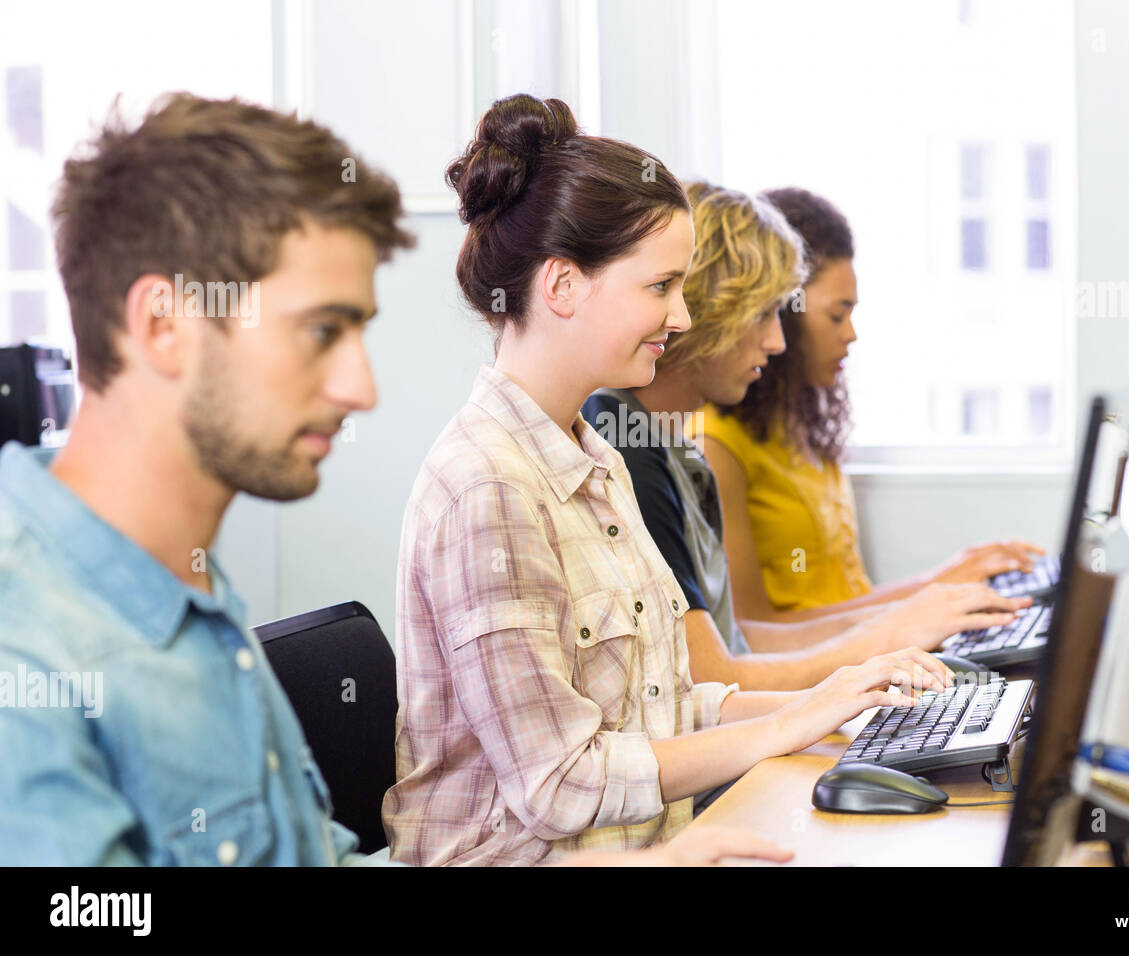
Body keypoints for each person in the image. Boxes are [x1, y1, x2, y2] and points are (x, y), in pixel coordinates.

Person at [0, 92, 764, 869]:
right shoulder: (28, 649)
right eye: (321, 330)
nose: (361, 389)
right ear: (164, 326)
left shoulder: (183, 597)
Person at [382, 94, 953, 866]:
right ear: (562, 287)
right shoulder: (488, 488)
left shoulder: (596, 456)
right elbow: (558, 783)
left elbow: (666, 704)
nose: (683, 318)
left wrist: (835, 703)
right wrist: (790, 724)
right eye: (660, 287)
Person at [583, 182, 1029, 690]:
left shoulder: (672, 446)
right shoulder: (630, 448)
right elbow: (712, 679)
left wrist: (911, 618)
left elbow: (740, 640)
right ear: (710, 312)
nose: (776, 341)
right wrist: (888, 637)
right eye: (761, 314)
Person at [692, 187, 1043, 622]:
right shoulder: (715, 444)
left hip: (865, 652)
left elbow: (844, 596)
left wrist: (945, 588)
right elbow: (753, 632)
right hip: (825, 669)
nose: (851, 334)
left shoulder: (798, 423)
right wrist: (935, 588)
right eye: (836, 315)